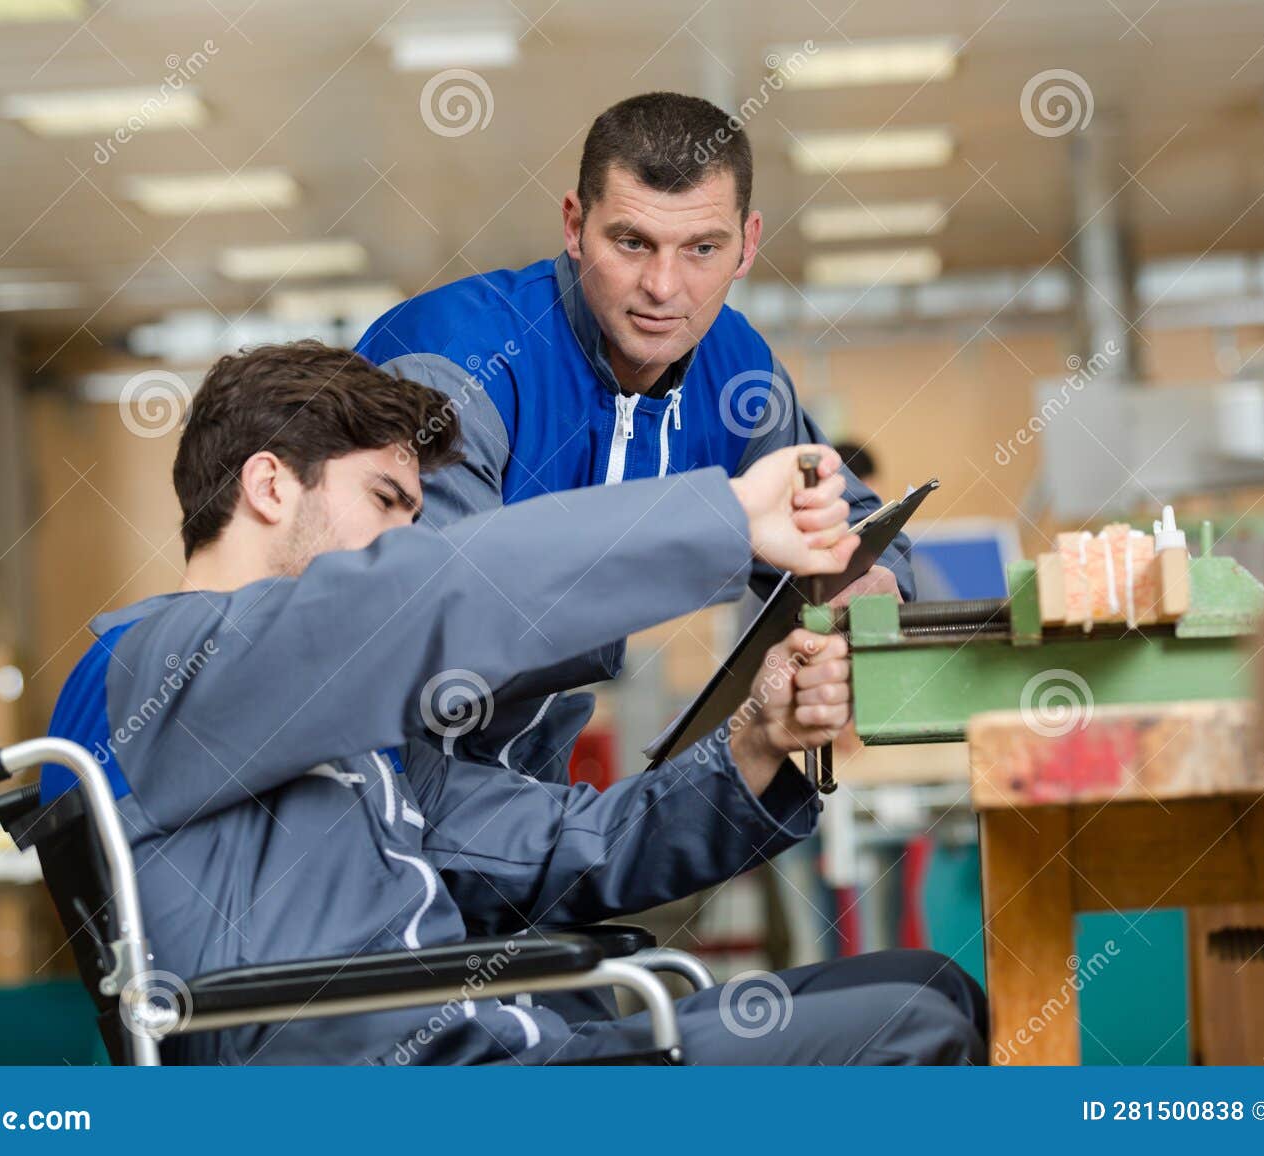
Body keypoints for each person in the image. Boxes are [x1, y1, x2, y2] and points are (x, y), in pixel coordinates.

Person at [44, 341, 985, 1065]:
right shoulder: (159, 667)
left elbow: (565, 852)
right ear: (267, 484)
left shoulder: (359, 736)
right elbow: (424, 593)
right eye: (383, 502)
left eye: (414, 520)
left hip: (502, 1050)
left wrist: (757, 742)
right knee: (910, 1031)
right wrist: (726, 518)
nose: (399, 541)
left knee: (934, 980)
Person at [356, 91, 909, 779]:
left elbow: (853, 524)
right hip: (365, 782)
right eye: (631, 242)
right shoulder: (453, 362)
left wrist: (871, 584)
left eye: (703, 248)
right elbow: (453, 603)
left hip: (519, 779)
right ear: (573, 224)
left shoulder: (740, 373)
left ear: (748, 244)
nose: (664, 286)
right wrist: (718, 523)